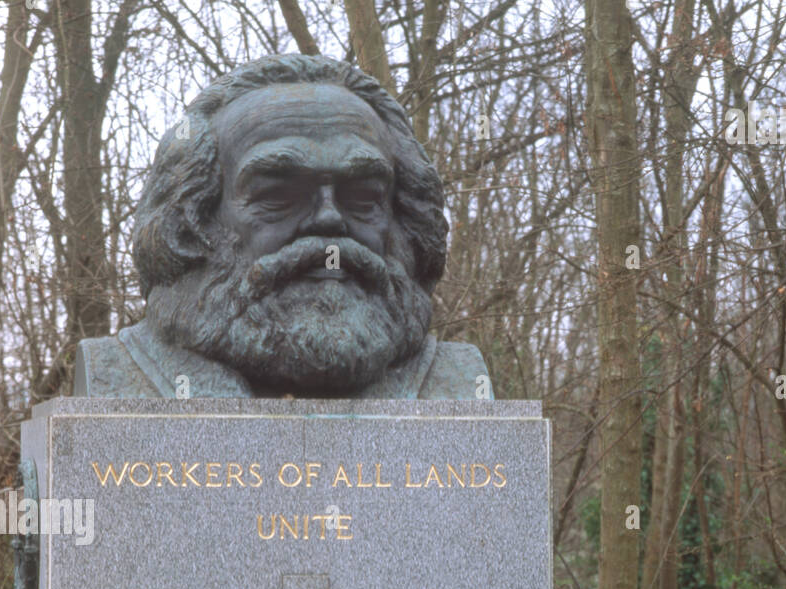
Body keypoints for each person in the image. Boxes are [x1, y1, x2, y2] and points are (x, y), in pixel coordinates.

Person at [73, 53, 490, 400]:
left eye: (362, 199)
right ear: (191, 222)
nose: (329, 219)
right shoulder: (118, 376)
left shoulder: (459, 383)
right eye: (278, 196)